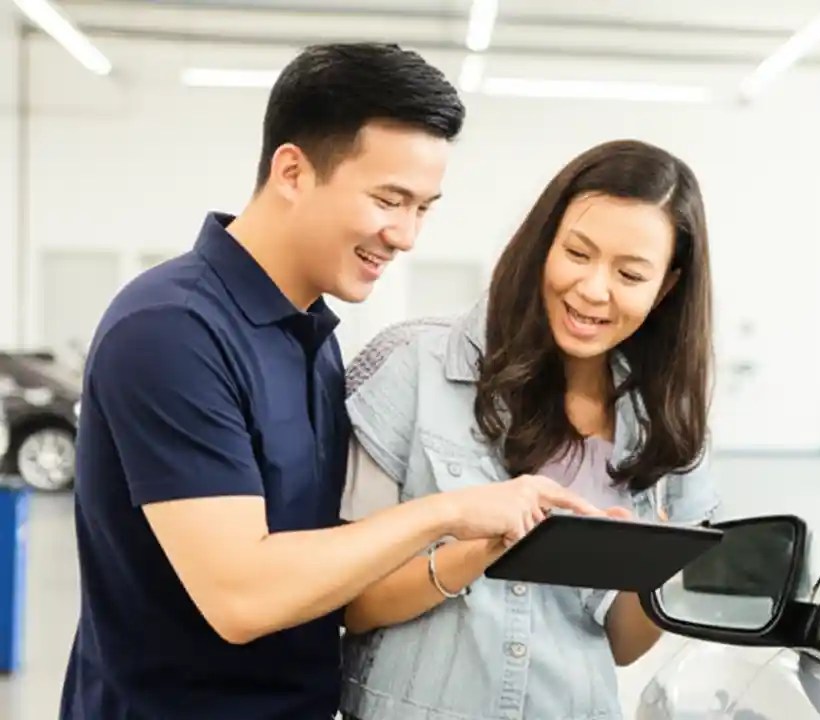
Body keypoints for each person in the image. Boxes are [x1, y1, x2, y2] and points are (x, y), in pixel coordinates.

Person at [59, 43, 601, 720]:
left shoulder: (311, 334)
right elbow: (242, 597)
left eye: (424, 208)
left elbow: (328, 569)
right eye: (388, 199)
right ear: (292, 171)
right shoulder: (171, 330)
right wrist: (449, 510)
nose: (404, 235)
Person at [336, 139, 720, 720]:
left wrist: (649, 568)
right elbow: (353, 604)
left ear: (665, 288)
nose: (593, 289)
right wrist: (482, 548)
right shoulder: (413, 368)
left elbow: (621, 645)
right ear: (543, 243)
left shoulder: (669, 429)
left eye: (630, 273)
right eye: (577, 253)